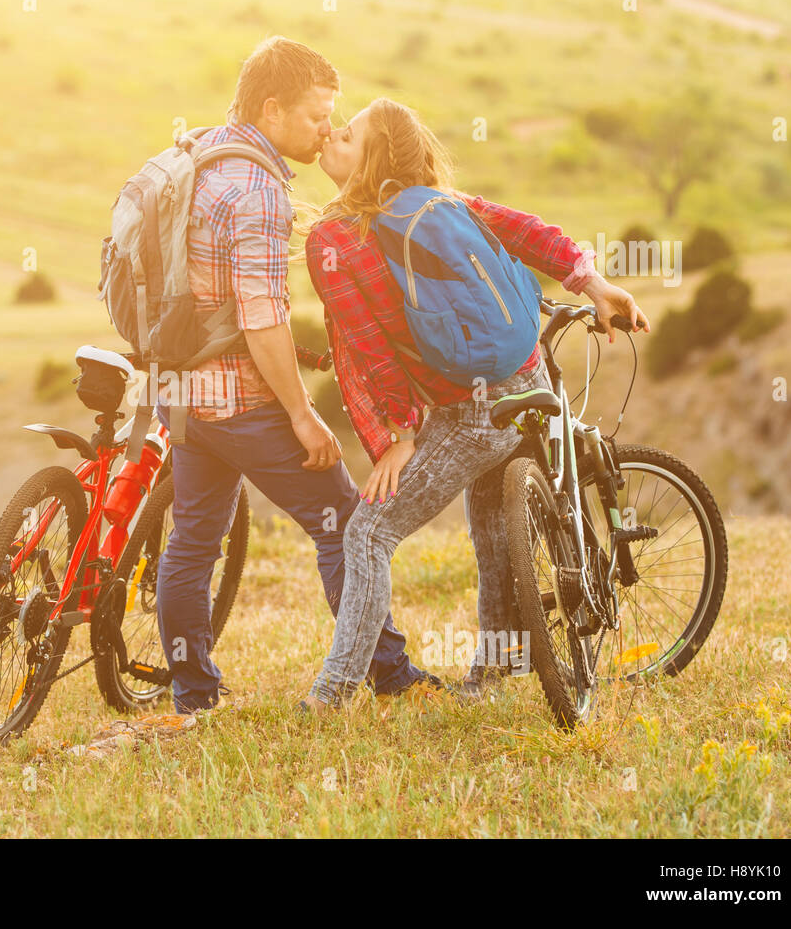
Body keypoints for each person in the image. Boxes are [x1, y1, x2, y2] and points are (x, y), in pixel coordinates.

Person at [298, 98, 650, 711]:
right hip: (527, 375)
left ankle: (332, 695)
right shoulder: (446, 204)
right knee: (491, 531)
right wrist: (595, 285)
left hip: (472, 412)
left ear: (373, 160)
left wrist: (400, 433)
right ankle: (498, 671)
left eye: (347, 135)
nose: (332, 135)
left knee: (368, 532)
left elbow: (370, 345)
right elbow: (528, 232)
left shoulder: (340, 238)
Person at [154, 37, 436, 713]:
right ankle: (388, 671)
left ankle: (193, 693)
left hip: (182, 394)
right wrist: (303, 416)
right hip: (242, 404)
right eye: (316, 115)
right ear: (272, 108)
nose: (325, 129)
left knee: (192, 541)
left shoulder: (199, 151)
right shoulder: (258, 190)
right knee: (345, 520)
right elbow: (261, 319)